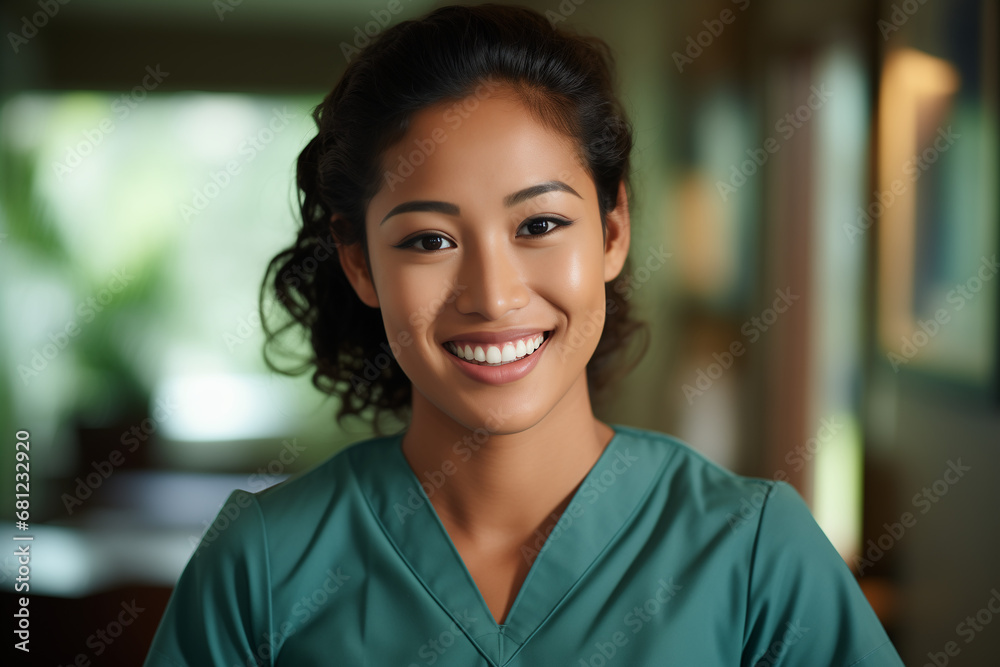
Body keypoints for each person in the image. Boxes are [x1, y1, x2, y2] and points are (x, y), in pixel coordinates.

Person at [145, 4, 906, 665]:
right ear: (360, 263)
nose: (495, 294)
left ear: (613, 230)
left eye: (539, 224)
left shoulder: (756, 554)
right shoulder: (260, 565)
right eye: (428, 240)